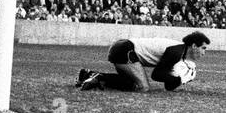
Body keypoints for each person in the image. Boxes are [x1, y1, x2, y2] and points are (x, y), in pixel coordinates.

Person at [77, 32, 210, 92]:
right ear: (193, 46)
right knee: (143, 87)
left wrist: (180, 80)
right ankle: (97, 77)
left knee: (131, 84)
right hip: (125, 49)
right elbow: (156, 75)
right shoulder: (177, 51)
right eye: (203, 48)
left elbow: (168, 87)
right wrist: (180, 78)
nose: (204, 52)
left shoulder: (179, 53)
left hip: (123, 48)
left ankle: (91, 75)